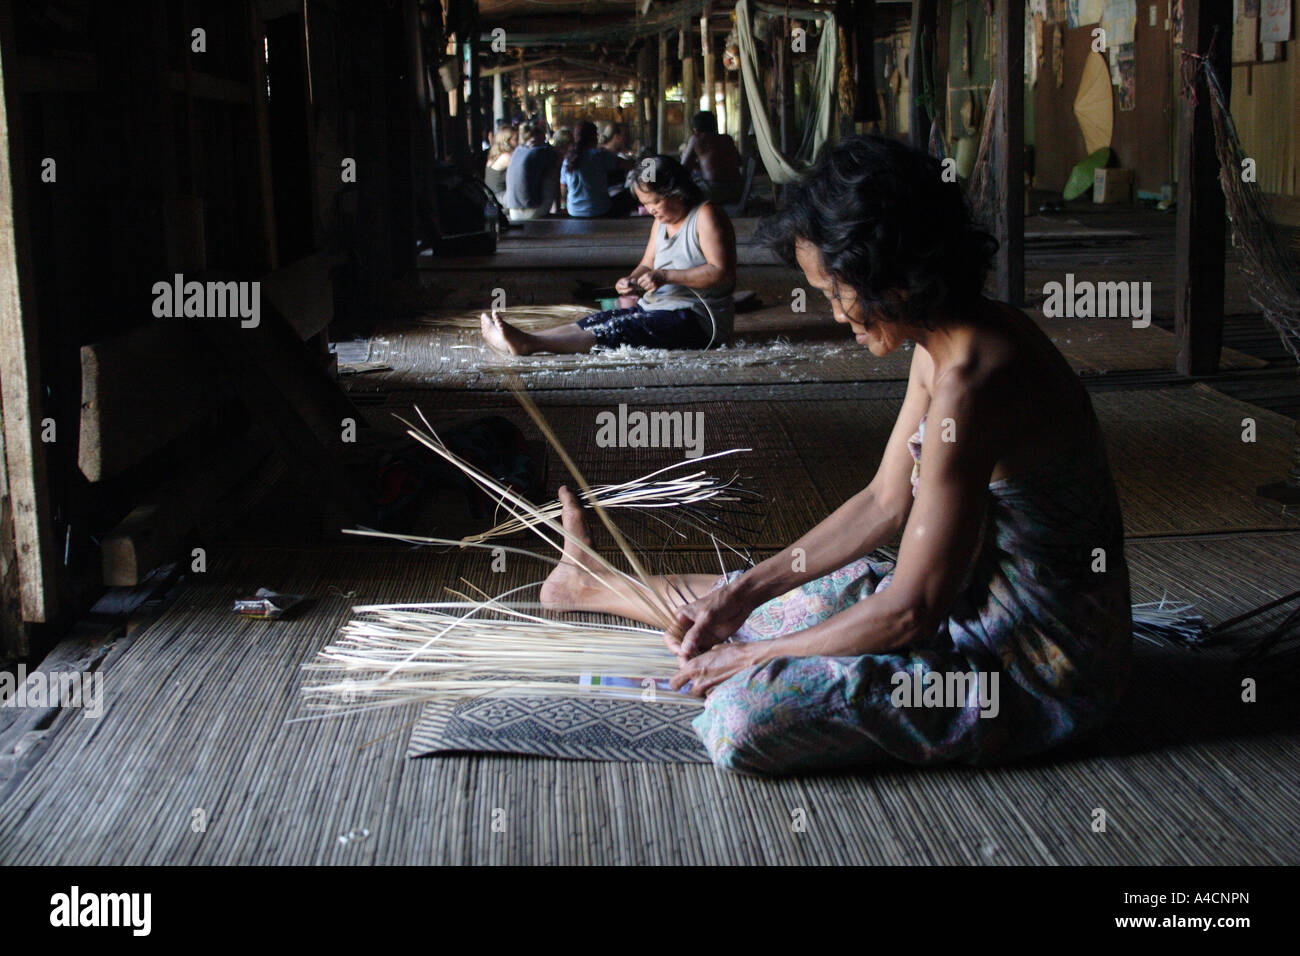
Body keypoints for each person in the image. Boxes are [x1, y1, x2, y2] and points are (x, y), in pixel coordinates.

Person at [533, 135, 1133, 776]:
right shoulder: (945, 345)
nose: (834, 311)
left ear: (891, 274)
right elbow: (882, 503)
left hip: (1026, 667)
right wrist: (746, 596)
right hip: (965, 605)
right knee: (778, 607)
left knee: (742, 718)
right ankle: (588, 584)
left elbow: (910, 612)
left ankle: (683, 621)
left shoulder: (974, 383)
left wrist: (754, 659)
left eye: (834, 290)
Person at [481, 155, 736, 354]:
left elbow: (721, 273)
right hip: (655, 308)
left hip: (697, 320)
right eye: (644, 203)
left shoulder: (705, 215)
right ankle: (524, 339)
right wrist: (631, 281)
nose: (649, 210)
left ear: (676, 192)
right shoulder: (661, 222)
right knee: (600, 319)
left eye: (654, 202)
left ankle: (532, 345)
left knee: (620, 331)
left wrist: (667, 276)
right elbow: (647, 264)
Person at [561, 120, 636, 218]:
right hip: (599, 211)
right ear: (594, 137)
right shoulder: (598, 155)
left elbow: (563, 187)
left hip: (574, 212)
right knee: (629, 195)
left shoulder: (568, 159)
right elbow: (629, 165)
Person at [680, 111, 744, 204]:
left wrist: (685, 157)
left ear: (695, 129)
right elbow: (739, 162)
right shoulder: (727, 138)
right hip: (738, 191)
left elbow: (683, 169)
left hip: (714, 192)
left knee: (681, 188)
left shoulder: (696, 139)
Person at [502, 121, 560, 221]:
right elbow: (556, 166)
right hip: (532, 211)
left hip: (513, 210)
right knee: (550, 176)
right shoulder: (543, 151)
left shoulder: (518, 151)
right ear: (541, 136)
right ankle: (557, 211)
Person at [484, 126, 516, 203]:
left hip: (492, 196)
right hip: (499, 197)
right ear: (507, 141)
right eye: (516, 139)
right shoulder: (506, 157)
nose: (519, 142)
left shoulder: (495, 156)